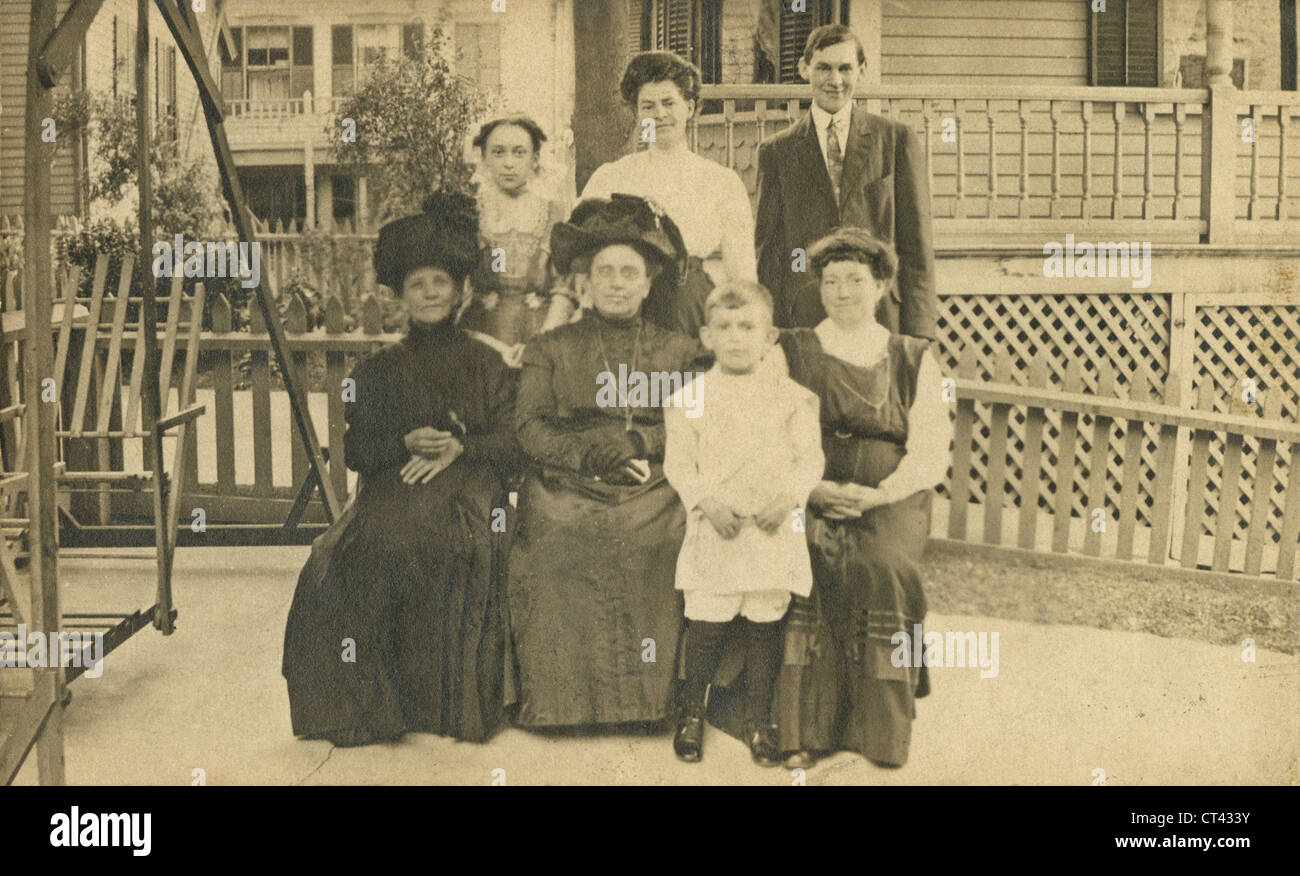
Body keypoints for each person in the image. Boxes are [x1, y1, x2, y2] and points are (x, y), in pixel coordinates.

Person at [706, 228, 953, 769]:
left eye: (856, 280)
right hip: (800, 485)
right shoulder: (790, 348)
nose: (842, 291)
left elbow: (931, 453)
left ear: (884, 286)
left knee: (881, 563)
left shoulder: (913, 358)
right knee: (802, 559)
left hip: (887, 497)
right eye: (832, 280)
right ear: (818, 287)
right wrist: (807, 488)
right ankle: (796, 729)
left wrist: (876, 495)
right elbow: (759, 428)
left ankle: (878, 733)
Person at [282, 192, 517, 746]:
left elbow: (514, 441)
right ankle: (376, 707)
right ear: (400, 297)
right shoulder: (379, 370)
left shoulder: (488, 361)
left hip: (472, 489)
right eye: (418, 284)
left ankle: (445, 708)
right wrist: (401, 440)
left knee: (453, 546)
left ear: (460, 290)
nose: (430, 292)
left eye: (440, 281)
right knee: (347, 556)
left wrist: (463, 446)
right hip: (396, 487)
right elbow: (358, 449)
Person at [509, 195, 702, 728]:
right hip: (567, 476)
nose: (617, 283)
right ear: (585, 283)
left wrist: (641, 445)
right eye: (605, 272)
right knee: (556, 530)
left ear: (648, 283)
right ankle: (560, 706)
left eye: (629, 273)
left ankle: (653, 704)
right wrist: (585, 455)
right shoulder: (551, 346)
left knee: (662, 535)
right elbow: (528, 425)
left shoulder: (681, 352)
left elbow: (703, 422)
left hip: (653, 477)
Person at [663, 281, 823, 766]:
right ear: (707, 336)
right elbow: (679, 464)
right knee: (708, 622)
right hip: (717, 528)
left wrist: (789, 498)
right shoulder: (689, 397)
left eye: (747, 326)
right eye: (724, 328)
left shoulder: (794, 398)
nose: (736, 337)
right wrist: (705, 501)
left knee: (763, 623)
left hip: (770, 529)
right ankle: (692, 712)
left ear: (770, 336)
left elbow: (809, 459)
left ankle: (758, 719)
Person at [755, 24, 938, 339]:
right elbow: (768, 255)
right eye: (824, 67)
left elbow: (917, 246)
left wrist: (920, 334)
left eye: (845, 68)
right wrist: (769, 330)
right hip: (804, 318)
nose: (835, 80)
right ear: (804, 68)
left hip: (881, 315)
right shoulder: (776, 151)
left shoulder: (895, 140)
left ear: (862, 70)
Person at [578, 51, 756, 338]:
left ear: (689, 106)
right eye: (648, 106)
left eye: (669, 103)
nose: (659, 114)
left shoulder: (721, 181)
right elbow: (581, 256)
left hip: (687, 310)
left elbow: (743, 275)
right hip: (621, 308)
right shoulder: (611, 176)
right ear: (636, 114)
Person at [457, 115, 575, 367]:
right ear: (485, 158)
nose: (509, 163)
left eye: (519, 152)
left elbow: (564, 289)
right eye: (498, 152)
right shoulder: (470, 214)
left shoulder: (554, 214)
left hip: (540, 332)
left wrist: (541, 345)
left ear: (534, 159)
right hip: (482, 336)